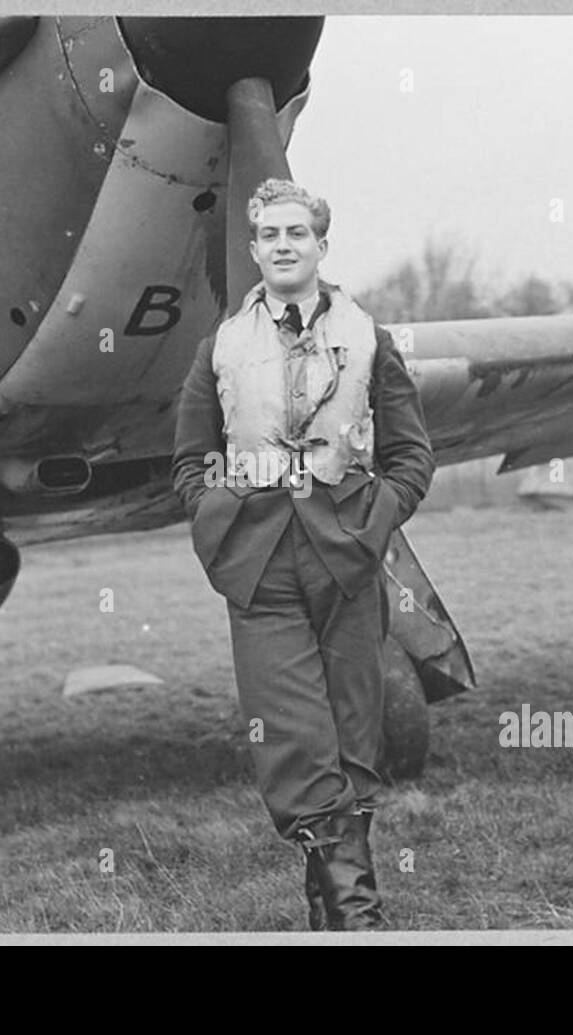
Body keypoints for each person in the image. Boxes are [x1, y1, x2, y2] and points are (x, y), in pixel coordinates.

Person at [171, 178, 435, 930]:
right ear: (253, 250)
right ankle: (360, 910)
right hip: (258, 560)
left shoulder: (367, 337)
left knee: (354, 730)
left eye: (298, 233)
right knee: (293, 733)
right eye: (270, 235)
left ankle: (328, 904)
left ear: (321, 244)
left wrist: (376, 521)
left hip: (344, 552)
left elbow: (414, 453)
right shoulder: (220, 347)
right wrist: (212, 513)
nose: (284, 245)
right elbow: (189, 457)